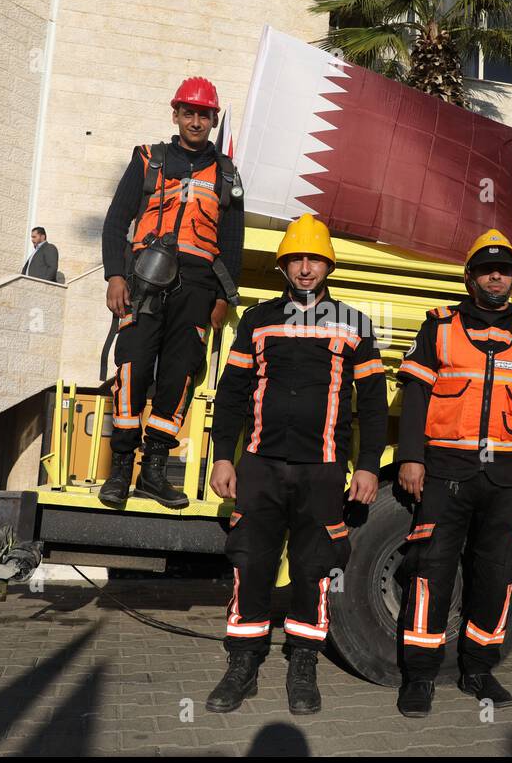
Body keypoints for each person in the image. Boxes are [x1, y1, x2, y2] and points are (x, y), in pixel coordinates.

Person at [205, 214, 388, 716]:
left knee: (314, 567)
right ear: (283, 265)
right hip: (260, 466)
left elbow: (373, 404)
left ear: (328, 264)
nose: (305, 268)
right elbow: (233, 393)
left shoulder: (354, 324)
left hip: (323, 470)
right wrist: (224, 455)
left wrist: (369, 466)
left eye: (314, 259)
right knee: (251, 562)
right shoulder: (257, 319)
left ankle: (303, 662)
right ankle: (243, 662)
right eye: (296, 260)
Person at [393, 230, 512, 717]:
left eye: (506, 270)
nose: (496, 276)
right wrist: (411, 457)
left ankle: (479, 669)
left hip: (508, 478)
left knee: (498, 574)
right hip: (447, 473)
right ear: (469, 277)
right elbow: (417, 396)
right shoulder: (439, 327)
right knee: (430, 571)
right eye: (487, 269)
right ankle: (419, 677)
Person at [97, 77, 245, 509]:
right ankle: (120, 469)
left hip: (198, 287)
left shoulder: (228, 172)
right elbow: (115, 221)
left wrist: (224, 298)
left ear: (213, 120)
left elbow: (232, 241)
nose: (196, 120)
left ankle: (154, 471)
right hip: (142, 283)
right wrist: (114, 277)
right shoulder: (148, 160)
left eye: (204, 114)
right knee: (131, 367)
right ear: (175, 114)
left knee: (180, 374)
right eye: (188, 112)